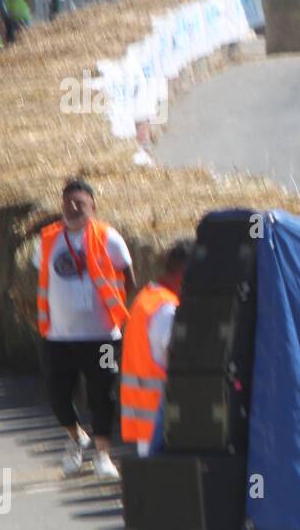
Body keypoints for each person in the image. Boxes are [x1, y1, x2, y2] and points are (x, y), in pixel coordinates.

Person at [33, 179, 135, 480]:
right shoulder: (48, 241)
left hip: (102, 337)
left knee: (102, 394)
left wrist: (113, 310)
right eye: (68, 202)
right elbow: (40, 279)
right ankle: (77, 438)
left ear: (93, 207)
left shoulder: (108, 237)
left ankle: (103, 455)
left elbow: (128, 276)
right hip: (59, 337)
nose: (73, 207)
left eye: (80, 203)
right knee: (57, 394)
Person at [120, 239, 191, 456]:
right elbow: (183, 363)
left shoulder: (147, 298)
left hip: (148, 420)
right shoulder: (168, 310)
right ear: (184, 274)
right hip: (164, 424)